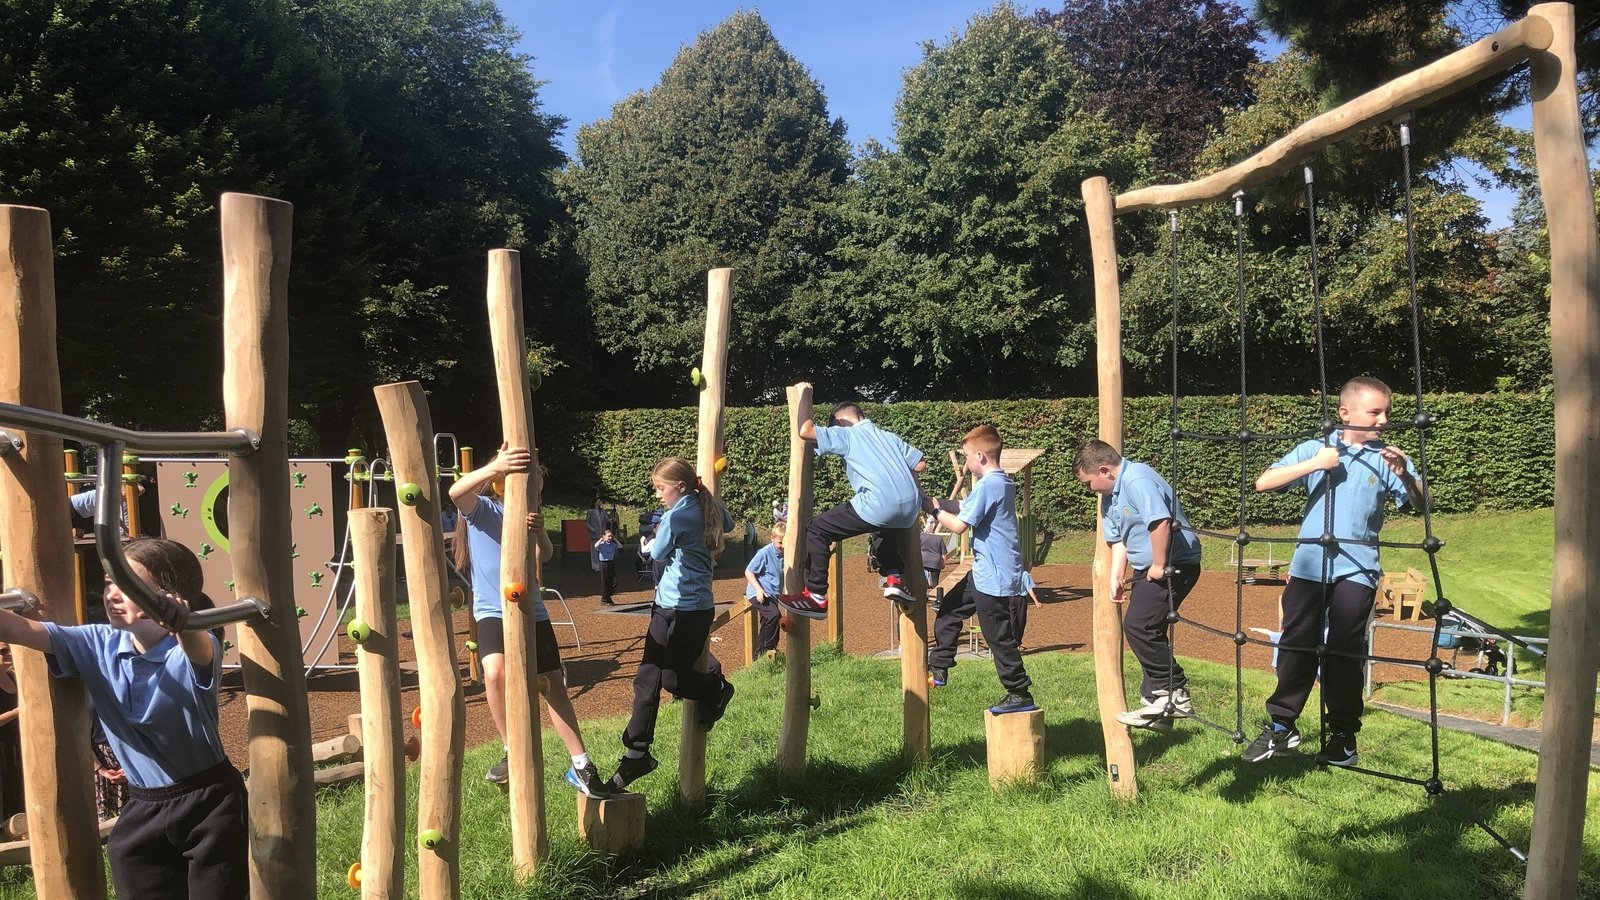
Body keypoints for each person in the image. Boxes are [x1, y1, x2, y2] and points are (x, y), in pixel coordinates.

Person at [0, 538, 245, 897]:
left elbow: (200, 648)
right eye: (109, 582)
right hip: (144, 804)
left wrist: (185, 623)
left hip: (209, 802)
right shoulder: (97, 643)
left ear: (167, 594)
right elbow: (19, 630)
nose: (112, 593)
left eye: (127, 584)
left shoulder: (192, 646)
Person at [1242, 376, 1427, 766]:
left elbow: (1422, 504)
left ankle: (1343, 737)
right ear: (1345, 413)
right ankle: (1282, 726)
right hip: (1309, 566)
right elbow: (1263, 482)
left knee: (1344, 651)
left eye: (1387, 413)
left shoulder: (1389, 457)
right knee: (1296, 644)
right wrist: (1315, 464)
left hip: (1358, 569)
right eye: (1375, 412)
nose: (1383, 420)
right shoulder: (1317, 448)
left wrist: (1406, 475)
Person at [450, 444, 610, 798]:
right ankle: (511, 749)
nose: (534, 489)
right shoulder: (483, 509)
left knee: (553, 685)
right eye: (527, 481)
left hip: (531, 610)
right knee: (494, 673)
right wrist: (496, 464)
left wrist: (538, 532)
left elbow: (545, 555)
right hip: (492, 609)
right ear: (501, 482)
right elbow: (455, 491)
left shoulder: (530, 514)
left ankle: (581, 764)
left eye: (537, 485)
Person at [609, 457, 737, 792]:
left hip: (689, 610)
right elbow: (730, 522)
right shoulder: (706, 506)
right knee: (647, 676)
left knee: (671, 678)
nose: (658, 494)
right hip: (668, 605)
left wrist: (663, 525)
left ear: (679, 486)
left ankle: (717, 688)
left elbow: (657, 552)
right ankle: (636, 752)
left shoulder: (677, 514)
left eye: (661, 488)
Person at [1075, 440, 1204, 731]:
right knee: (1149, 628)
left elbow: (1160, 522)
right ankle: (1158, 704)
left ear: (1104, 470)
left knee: (1139, 626)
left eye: (1088, 482)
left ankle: (1176, 692)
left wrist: (1159, 564)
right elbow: (1118, 538)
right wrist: (1116, 576)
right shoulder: (1109, 494)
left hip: (1174, 563)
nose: (1089, 489)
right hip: (1149, 567)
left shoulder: (1137, 479)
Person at [777, 399, 928, 619]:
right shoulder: (888, 437)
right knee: (883, 527)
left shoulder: (847, 434)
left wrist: (803, 402)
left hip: (877, 504)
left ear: (841, 421)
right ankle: (894, 577)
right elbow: (920, 464)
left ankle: (816, 595)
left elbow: (805, 431)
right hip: (910, 510)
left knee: (818, 529)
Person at [923, 425, 1036, 715]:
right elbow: (964, 505)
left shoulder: (989, 485)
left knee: (997, 635)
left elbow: (960, 524)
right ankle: (940, 666)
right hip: (986, 571)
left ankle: (1019, 691)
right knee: (949, 609)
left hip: (995, 577)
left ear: (982, 457)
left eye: (967, 457)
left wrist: (935, 512)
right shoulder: (1001, 482)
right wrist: (931, 502)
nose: (965, 463)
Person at [743, 521, 786, 656]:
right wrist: (758, 589)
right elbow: (749, 571)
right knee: (775, 615)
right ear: (772, 538)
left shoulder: (787, 552)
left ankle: (759, 655)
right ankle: (770, 647)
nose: (782, 546)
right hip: (758, 593)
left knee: (767, 622)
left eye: (785, 543)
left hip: (773, 595)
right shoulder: (765, 552)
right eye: (779, 543)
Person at [595, 528, 620, 606]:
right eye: (608, 536)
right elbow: (595, 546)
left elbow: (620, 546)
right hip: (603, 563)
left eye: (611, 536)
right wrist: (601, 539)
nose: (610, 538)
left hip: (610, 563)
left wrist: (615, 539)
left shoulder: (613, 544)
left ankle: (609, 594)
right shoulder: (602, 544)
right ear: (604, 536)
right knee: (605, 582)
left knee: (614, 581)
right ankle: (605, 599)